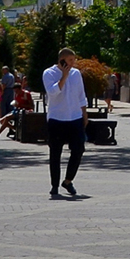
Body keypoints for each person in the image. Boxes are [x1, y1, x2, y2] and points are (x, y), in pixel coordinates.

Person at [42, 48, 90, 199]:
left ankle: (68, 181)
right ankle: (54, 185)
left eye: (73, 60)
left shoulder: (76, 74)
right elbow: (53, 92)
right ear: (61, 60)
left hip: (74, 117)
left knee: (78, 149)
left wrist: (84, 113)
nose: (72, 63)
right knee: (55, 153)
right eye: (69, 60)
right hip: (57, 118)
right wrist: (64, 76)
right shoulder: (49, 73)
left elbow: (81, 95)